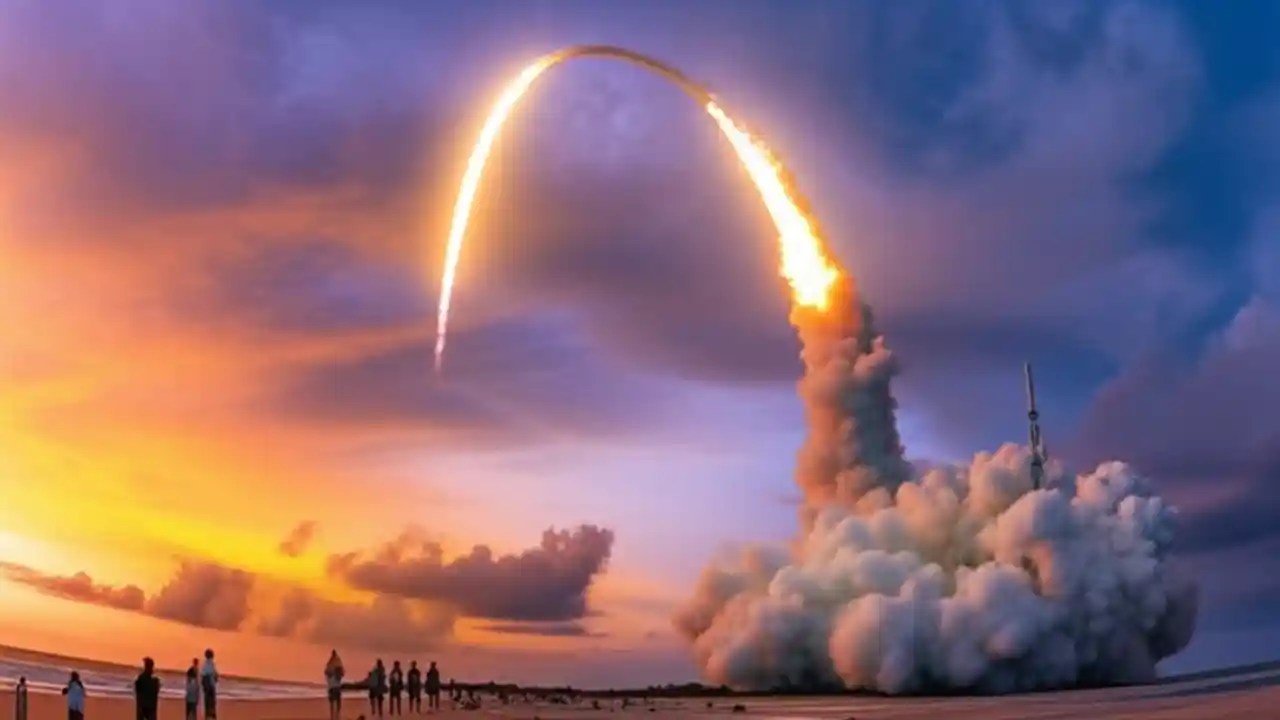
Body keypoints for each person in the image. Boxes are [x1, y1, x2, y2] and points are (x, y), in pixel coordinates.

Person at [325, 650, 345, 720]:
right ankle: (337, 714)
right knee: (338, 701)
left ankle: (332, 716)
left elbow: (326, 673)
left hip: (331, 686)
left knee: (332, 702)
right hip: (337, 686)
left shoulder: (329, 663)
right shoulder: (338, 663)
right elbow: (342, 673)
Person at [200, 649, 219, 720]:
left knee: (207, 700)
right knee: (212, 701)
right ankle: (212, 715)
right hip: (211, 684)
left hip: (206, 684)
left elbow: (202, 675)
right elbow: (215, 674)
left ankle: (207, 715)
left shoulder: (204, 664)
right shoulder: (211, 664)